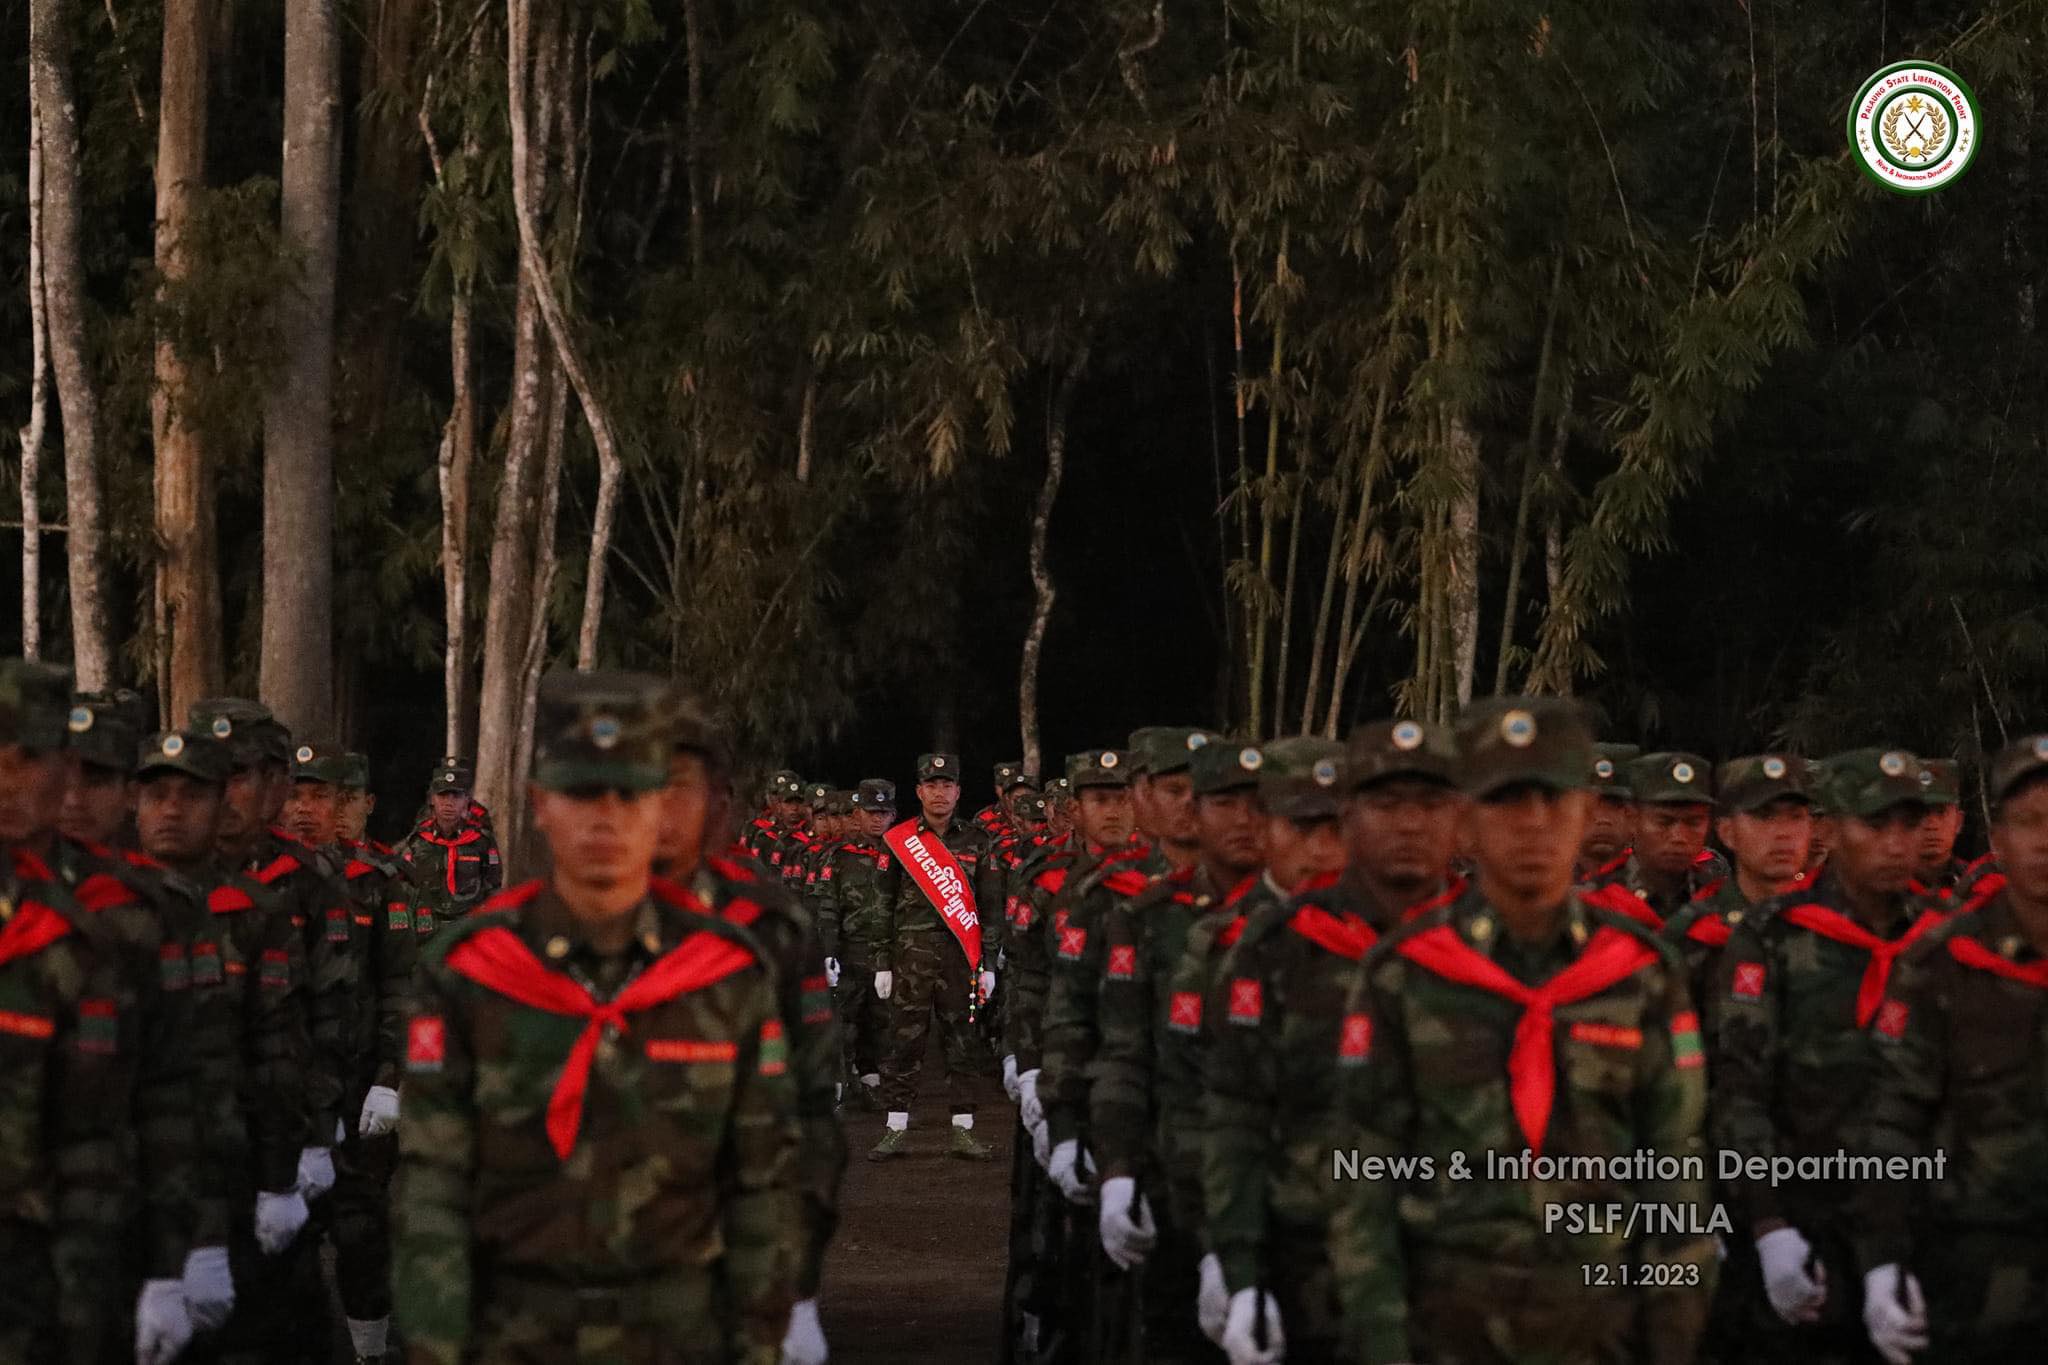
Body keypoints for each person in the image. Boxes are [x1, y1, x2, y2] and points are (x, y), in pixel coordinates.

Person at [394, 669, 800, 1364]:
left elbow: (760, 1186)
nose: (605, 817)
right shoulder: (470, 972)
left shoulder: (726, 975)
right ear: (540, 804)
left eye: (629, 793)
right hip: (515, 1333)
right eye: (582, 792)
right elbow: (432, 1190)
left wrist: (763, 1338)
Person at [1330, 697, 1714, 1365]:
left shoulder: (1640, 972)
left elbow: (1674, 1170)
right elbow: (1364, 1182)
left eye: (1553, 798)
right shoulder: (1405, 973)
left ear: (1589, 811)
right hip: (1445, 1329)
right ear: (1467, 819)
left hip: (1601, 1325)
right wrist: (1381, 1340)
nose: (1533, 823)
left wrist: (1674, 1335)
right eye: (1507, 801)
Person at [1203, 723, 1462, 1365]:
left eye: (1429, 806)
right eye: (1385, 805)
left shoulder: (1497, 948)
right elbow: (1237, 1116)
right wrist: (1236, 1264)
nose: (1409, 826)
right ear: (1355, 817)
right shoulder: (1278, 946)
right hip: (1313, 1271)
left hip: (1466, 1274)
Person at [1713, 747, 1948, 1363]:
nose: (1898, 844)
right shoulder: (1772, 937)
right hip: (1808, 1225)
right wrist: (1768, 1228)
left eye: (1909, 824)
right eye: (1876, 825)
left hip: (1923, 1229)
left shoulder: (1947, 939)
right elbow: (1741, 1091)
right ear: (1833, 830)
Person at [654, 689, 845, 1365]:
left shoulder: (773, 927)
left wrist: (800, 1286)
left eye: (686, 790)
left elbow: (815, 1112)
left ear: (724, 803)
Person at [1858, 732, 2048, 1364]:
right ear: (1996, 842)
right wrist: (1882, 1258)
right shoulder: (1941, 962)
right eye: (2029, 822)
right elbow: (1894, 1121)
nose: (2046, 840)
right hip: (1976, 1273)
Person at [136, 725, 312, 1365]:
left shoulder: (256, 911)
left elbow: (276, 1052)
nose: (172, 811)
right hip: (123, 1186)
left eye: (193, 795)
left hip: (228, 1181)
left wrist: (281, 1176)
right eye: (157, 795)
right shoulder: (102, 907)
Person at [1090, 740, 1269, 1353]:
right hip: (1170, 1171)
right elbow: (1128, 1048)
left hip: (1279, 1199)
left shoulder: (1306, 927)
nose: (1244, 821)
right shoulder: (1150, 914)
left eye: (1259, 805)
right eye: (1225, 804)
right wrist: (1115, 1164)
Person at [0, 659, 136, 1365]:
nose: (7, 778)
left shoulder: (80, 933)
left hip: (30, 1266)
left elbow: (94, 1132)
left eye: (28, 758)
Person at [284, 739, 419, 1365]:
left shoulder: (377, 882)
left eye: (321, 797)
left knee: (361, 1231)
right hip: (282, 1086)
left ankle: (370, 1350)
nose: (308, 809)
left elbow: (399, 987)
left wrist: (390, 1078)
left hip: (359, 1082)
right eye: (297, 795)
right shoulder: (267, 878)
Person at [868, 752, 1002, 1160]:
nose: (939, 793)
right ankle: (894, 1128)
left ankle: (964, 1129)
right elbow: (882, 904)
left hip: (962, 960)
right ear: (919, 791)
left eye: (947, 785)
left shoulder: (979, 841)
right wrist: (881, 962)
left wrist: (991, 963)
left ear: (958, 791)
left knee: (963, 1044)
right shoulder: (899, 841)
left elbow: (992, 907)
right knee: (903, 1043)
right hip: (910, 963)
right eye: (932, 785)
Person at [815, 780, 898, 1110]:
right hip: (850, 951)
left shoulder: (902, 856)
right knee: (844, 1022)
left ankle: (873, 1083)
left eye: (884, 812)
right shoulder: (838, 857)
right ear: (857, 814)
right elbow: (827, 908)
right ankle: (839, 1085)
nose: (877, 819)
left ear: (893, 815)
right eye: (870, 812)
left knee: (882, 1023)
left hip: (888, 953)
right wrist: (828, 953)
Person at [395, 759, 501, 924]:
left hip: (467, 929)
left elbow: (494, 889)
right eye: (443, 795)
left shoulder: (482, 842)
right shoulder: (417, 842)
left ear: (467, 800)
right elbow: (400, 891)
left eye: (456, 796)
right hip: (426, 929)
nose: (449, 803)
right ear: (432, 799)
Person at [1576, 742, 1640, 882]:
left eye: (1616, 806)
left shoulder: (1656, 883)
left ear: (1634, 816)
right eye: (1591, 806)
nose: (1603, 819)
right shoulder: (1544, 882)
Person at [1911, 758, 1968, 898]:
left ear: (1958, 822)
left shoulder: (1978, 883)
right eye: (1920, 813)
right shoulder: (1883, 889)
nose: (1931, 824)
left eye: (1941, 811)